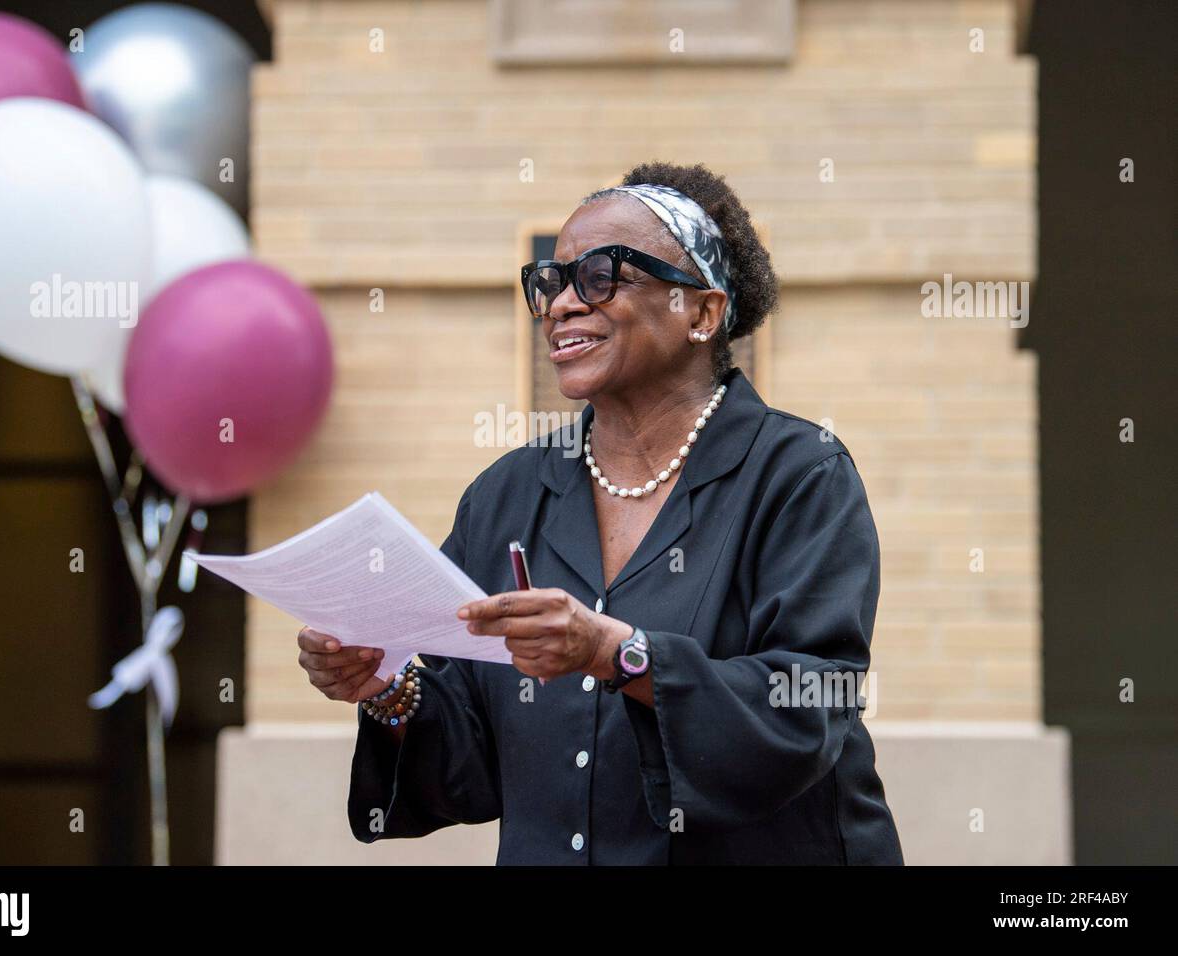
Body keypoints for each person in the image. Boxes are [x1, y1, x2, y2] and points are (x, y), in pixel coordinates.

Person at [297, 161, 903, 864]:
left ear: (701, 313)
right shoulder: (507, 496)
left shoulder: (799, 474)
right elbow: (472, 759)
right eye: (551, 281)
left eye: (601, 275)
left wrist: (617, 653)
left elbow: (806, 706)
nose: (560, 305)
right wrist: (386, 689)